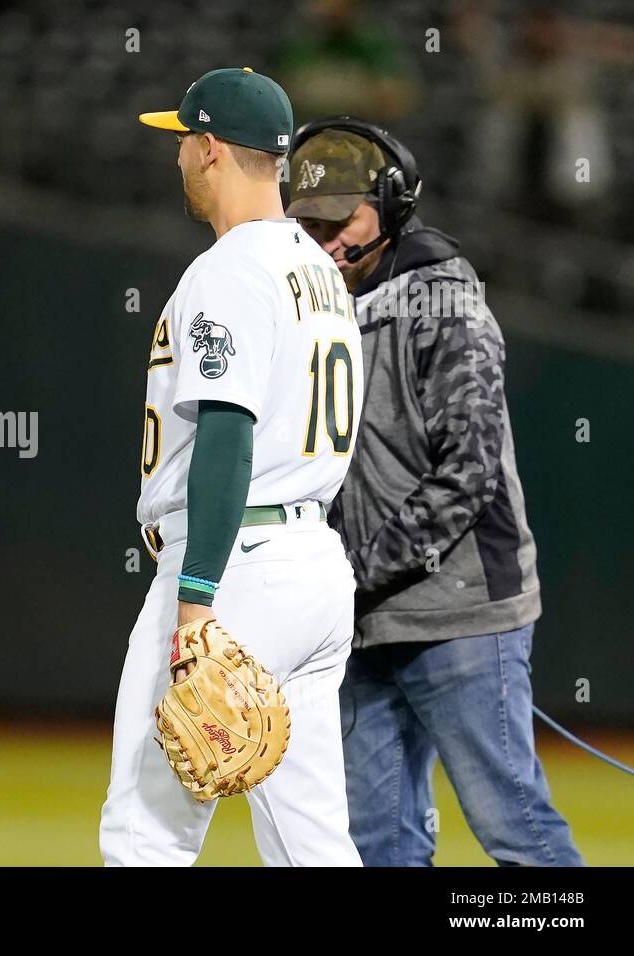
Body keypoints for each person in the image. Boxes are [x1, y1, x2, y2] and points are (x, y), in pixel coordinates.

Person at [289, 120, 583, 866]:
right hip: (362, 624)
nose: (323, 240)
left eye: (338, 221)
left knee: (518, 837)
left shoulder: (448, 303)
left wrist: (354, 575)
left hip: (464, 615)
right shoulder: (316, 308)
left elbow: (470, 471)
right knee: (377, 845)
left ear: (389, 207)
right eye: (307, 223)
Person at [100, 68, 363, 866]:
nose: (177, 154)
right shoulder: (320, 270)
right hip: (314, 565)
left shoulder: (228, 271)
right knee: (312, 842)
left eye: (183, 139)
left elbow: (226, 435)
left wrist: (195, 604)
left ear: (211, 148)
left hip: (235, 566)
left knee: (146, 834)